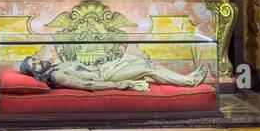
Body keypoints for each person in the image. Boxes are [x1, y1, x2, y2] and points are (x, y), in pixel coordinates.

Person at [19, 49, 208, 92]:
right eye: (35, 66)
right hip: (105, 76)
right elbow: (87, 84)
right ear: (35, 74)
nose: (38, 63)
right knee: (146, 69)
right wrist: (118, 85)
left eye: (35, 60)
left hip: (105, 67)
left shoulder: (55, 65)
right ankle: (190, 82)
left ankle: (187, 76)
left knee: (145, 62)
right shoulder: (55, 75)